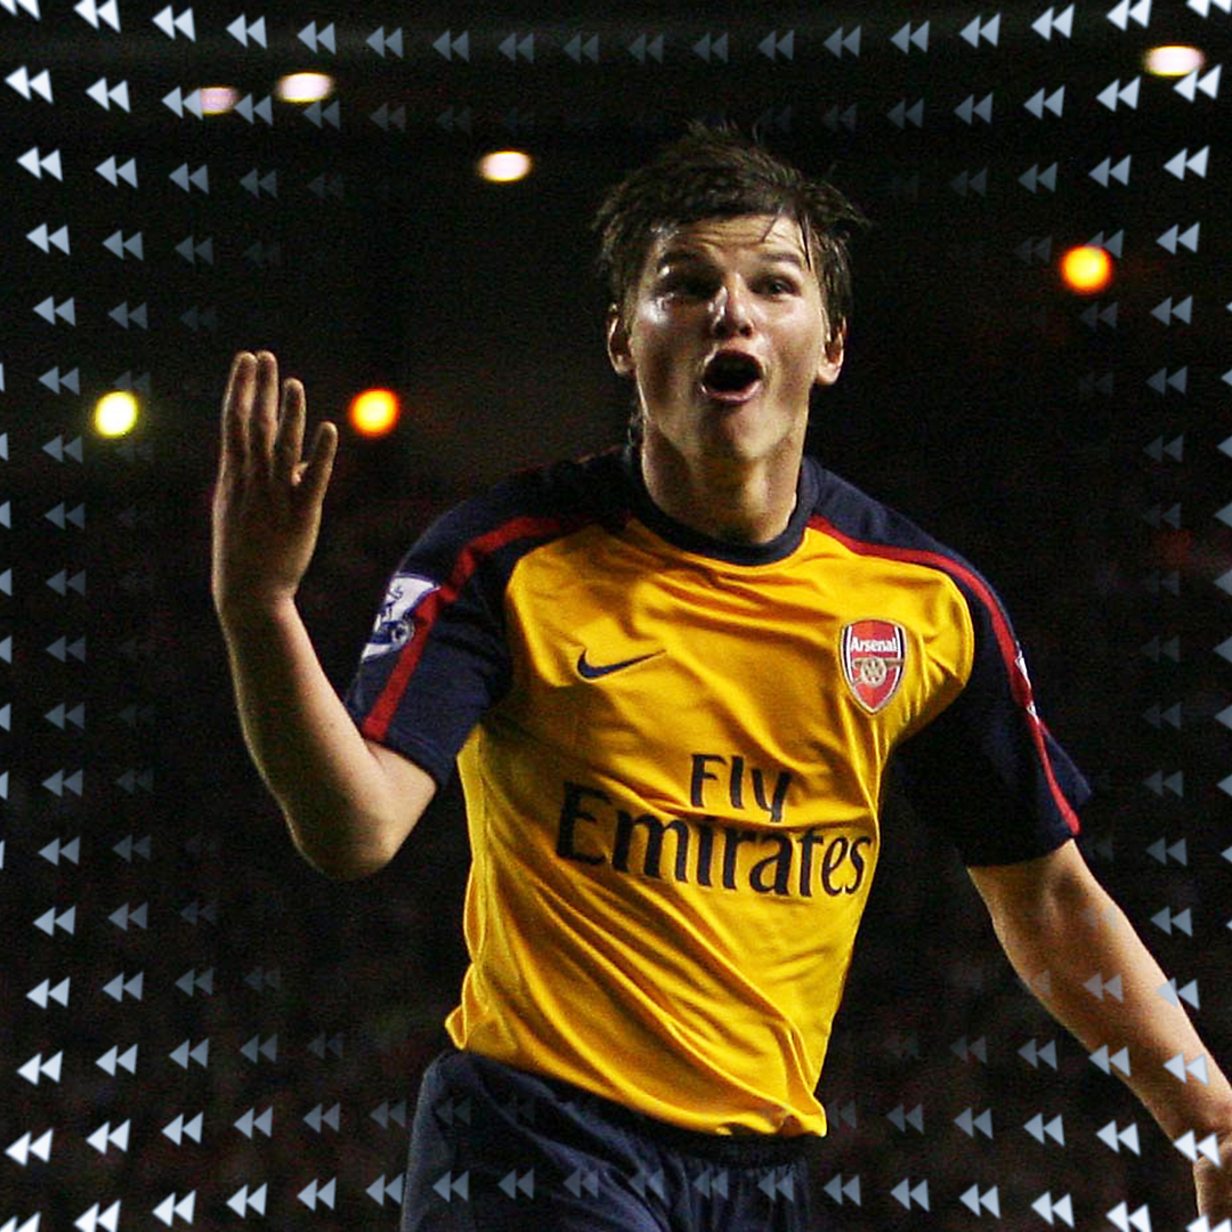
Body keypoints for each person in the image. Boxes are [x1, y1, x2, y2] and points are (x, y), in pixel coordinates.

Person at [211, 125, 1232, 1231]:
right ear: (622, 338)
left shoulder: (926, 604)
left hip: (761, 1172)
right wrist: (260, 608)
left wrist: (1209, 1113)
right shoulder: (503, 557)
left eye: (773, 284)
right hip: (533, 1141)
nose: (729, 311)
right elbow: (353, 827)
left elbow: (1048, 895)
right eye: (684, 284)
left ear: (830, 345)